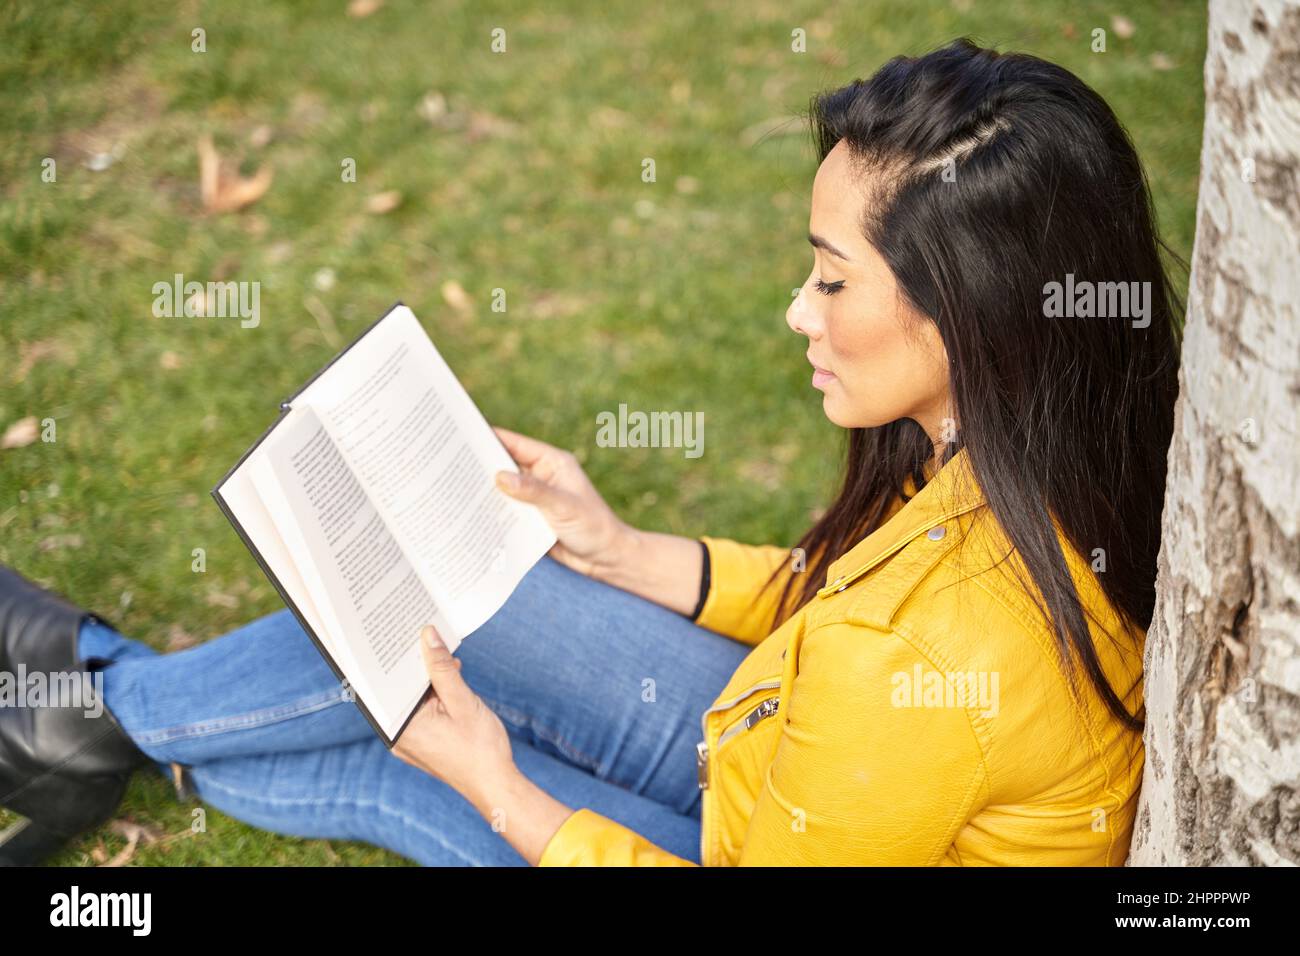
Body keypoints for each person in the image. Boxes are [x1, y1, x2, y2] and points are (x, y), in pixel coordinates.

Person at [0, 37, 1180, 866]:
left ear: (970, 307)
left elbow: (878, 662)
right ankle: (99, 714)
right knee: (464, 591)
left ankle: (87, 703)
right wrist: (622, 548)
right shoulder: (1059, 437)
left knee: (408, 755)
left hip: (794, 819)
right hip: (795, 750)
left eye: (830, 277)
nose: (795, 311)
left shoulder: (923, 658)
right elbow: (845, 597)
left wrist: (501, 790)